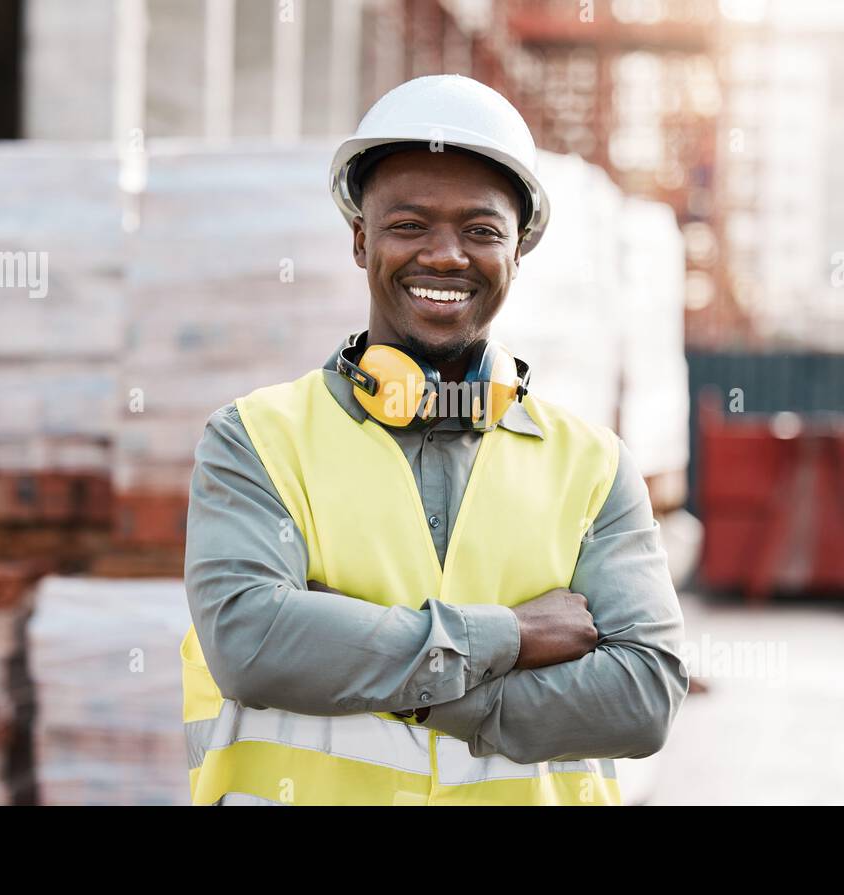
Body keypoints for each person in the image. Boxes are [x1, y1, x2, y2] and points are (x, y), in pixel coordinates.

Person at [181, 74, 688, 806]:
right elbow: (253, 643)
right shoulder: (256, 440)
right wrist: (510, 635)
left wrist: (398, 681)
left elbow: (644, 694)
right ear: (361, 239)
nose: (446, 256)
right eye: (409, 225)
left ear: (520, 250)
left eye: (481, 230)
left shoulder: (593, 467)